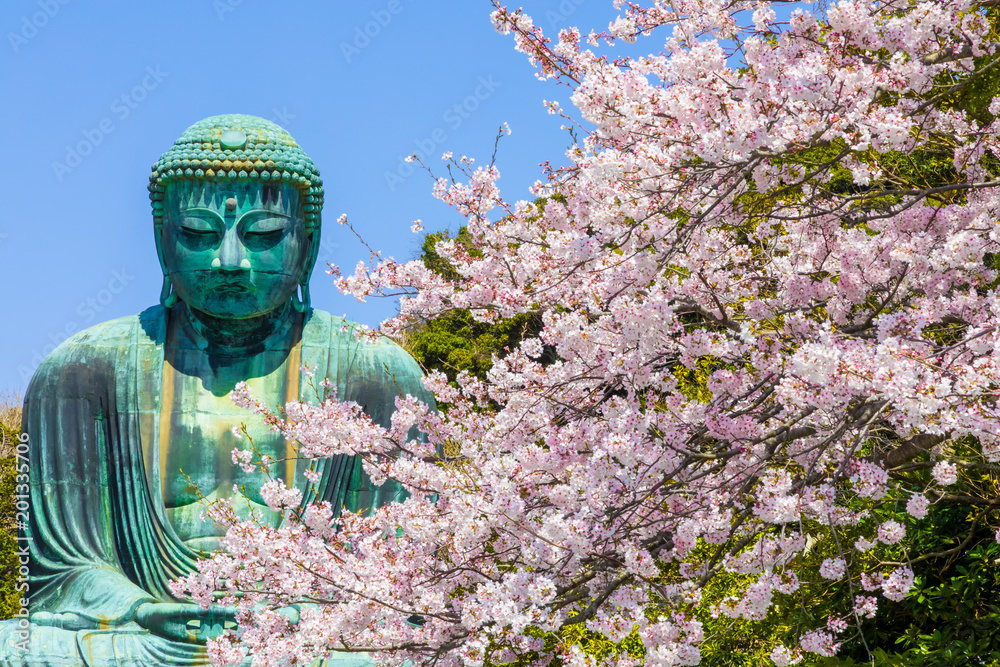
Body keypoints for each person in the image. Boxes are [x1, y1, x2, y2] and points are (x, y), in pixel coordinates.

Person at [0, 115, 431, 666]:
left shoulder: (376, 371)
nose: (230, 260)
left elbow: (403, 582)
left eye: (265, 234)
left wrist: (300, 616)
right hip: (147, 637)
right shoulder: (83, 371)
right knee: (18, 648)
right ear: (162, 239)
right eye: (199, 235)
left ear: (309, 241)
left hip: (314, 641)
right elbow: (61, 575)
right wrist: (139, 609)